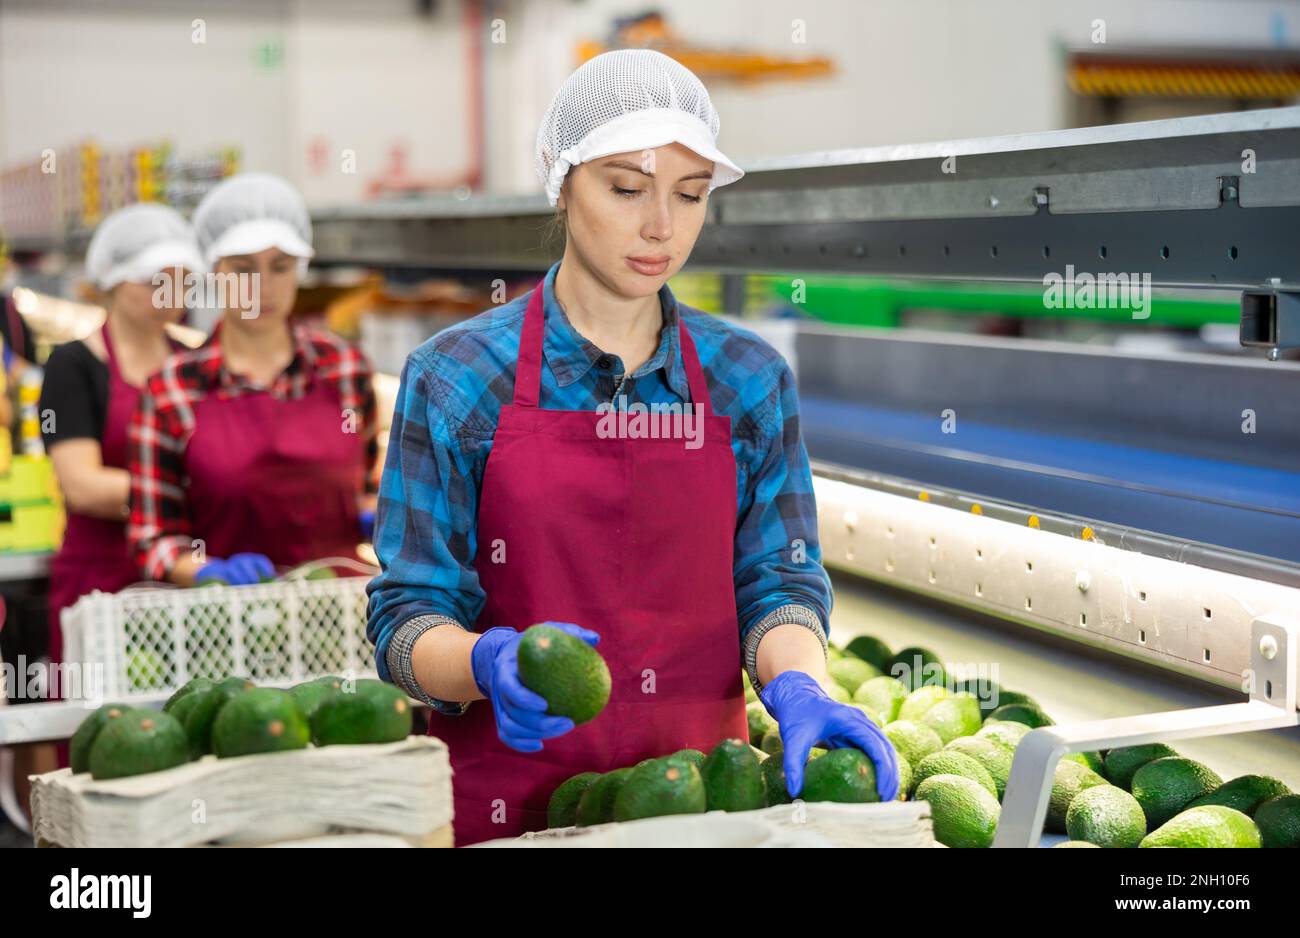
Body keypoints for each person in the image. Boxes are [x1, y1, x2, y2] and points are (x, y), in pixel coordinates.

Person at [367, 49, 899, 845]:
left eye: (691, 196)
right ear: (562, 181)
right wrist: (480, 664)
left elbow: (775, 581)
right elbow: (406, 617)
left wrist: (801, 685)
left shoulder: (748, 381)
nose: (662, 226)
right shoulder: (455, 377)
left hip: (698, 808)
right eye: (626, 188)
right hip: (509, 813)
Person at [127, 173, 378, 587]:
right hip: (225, 625)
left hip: (336, 613)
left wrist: (377, 514)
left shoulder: (345, 368)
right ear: (215, 272)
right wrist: (207, 570)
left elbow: (367, 484)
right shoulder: (171, 389)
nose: (262, 286)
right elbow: (153, 537)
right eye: (243, 269)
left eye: (280, 267)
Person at [41, 204, 201, 669]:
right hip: (100, 581)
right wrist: (196, 491)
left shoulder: (196, 364)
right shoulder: (73, 366)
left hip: (182, 578)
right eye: (154, 280)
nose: (169, 293)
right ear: (110, 281)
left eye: (180, 278)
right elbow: (83, 487)